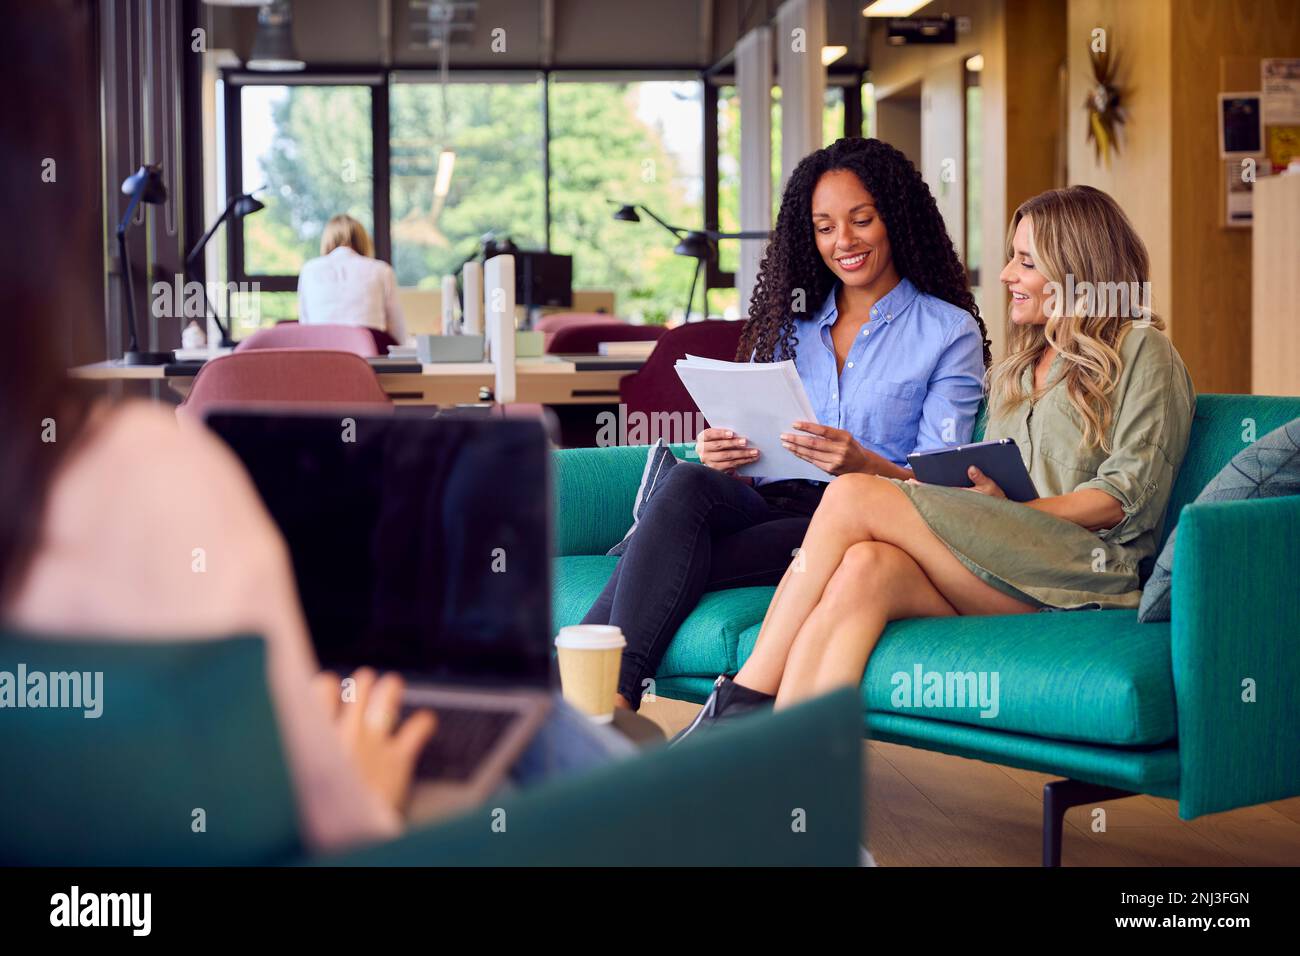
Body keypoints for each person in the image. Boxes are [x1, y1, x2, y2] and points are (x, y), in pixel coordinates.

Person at [0, 33, 625, 858]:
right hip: (364, 393)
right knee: (519, 718)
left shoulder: (298, 276)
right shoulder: (144, 473)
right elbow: (394, 339)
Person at [675, 185, 1195, 738]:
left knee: (850, 493)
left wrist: (1018, 511)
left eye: (1024, 261)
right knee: (866, 567)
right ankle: (789, 769)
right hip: (1002, 558)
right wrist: (983, 504)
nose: (1004, 275)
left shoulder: (1142, 349)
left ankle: (741, 698)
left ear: (1078, 271)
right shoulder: (1018, 368)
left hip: (1087, 573)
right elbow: (989, 477)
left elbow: (1124, 495)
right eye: (1010, 258)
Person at [581, 137, 992, 713]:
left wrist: (863, 466)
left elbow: (941, 488)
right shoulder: (788, 327)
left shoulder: (947, 333)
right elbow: (754, 438)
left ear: (895, 219)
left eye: (861, 220)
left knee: (653, 557)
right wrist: (725, 450)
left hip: (848, 526)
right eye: (824, 227)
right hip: (770, 501)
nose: (842, 242)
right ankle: (604, 702)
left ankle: (600, 700)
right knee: (691, 481)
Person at [297, 214, 408, 344]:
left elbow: (305, 323)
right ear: (363, 240)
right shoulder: (381, 270)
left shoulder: (309, 270)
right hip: (369, 354)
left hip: (320, 350)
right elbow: (397, 328)